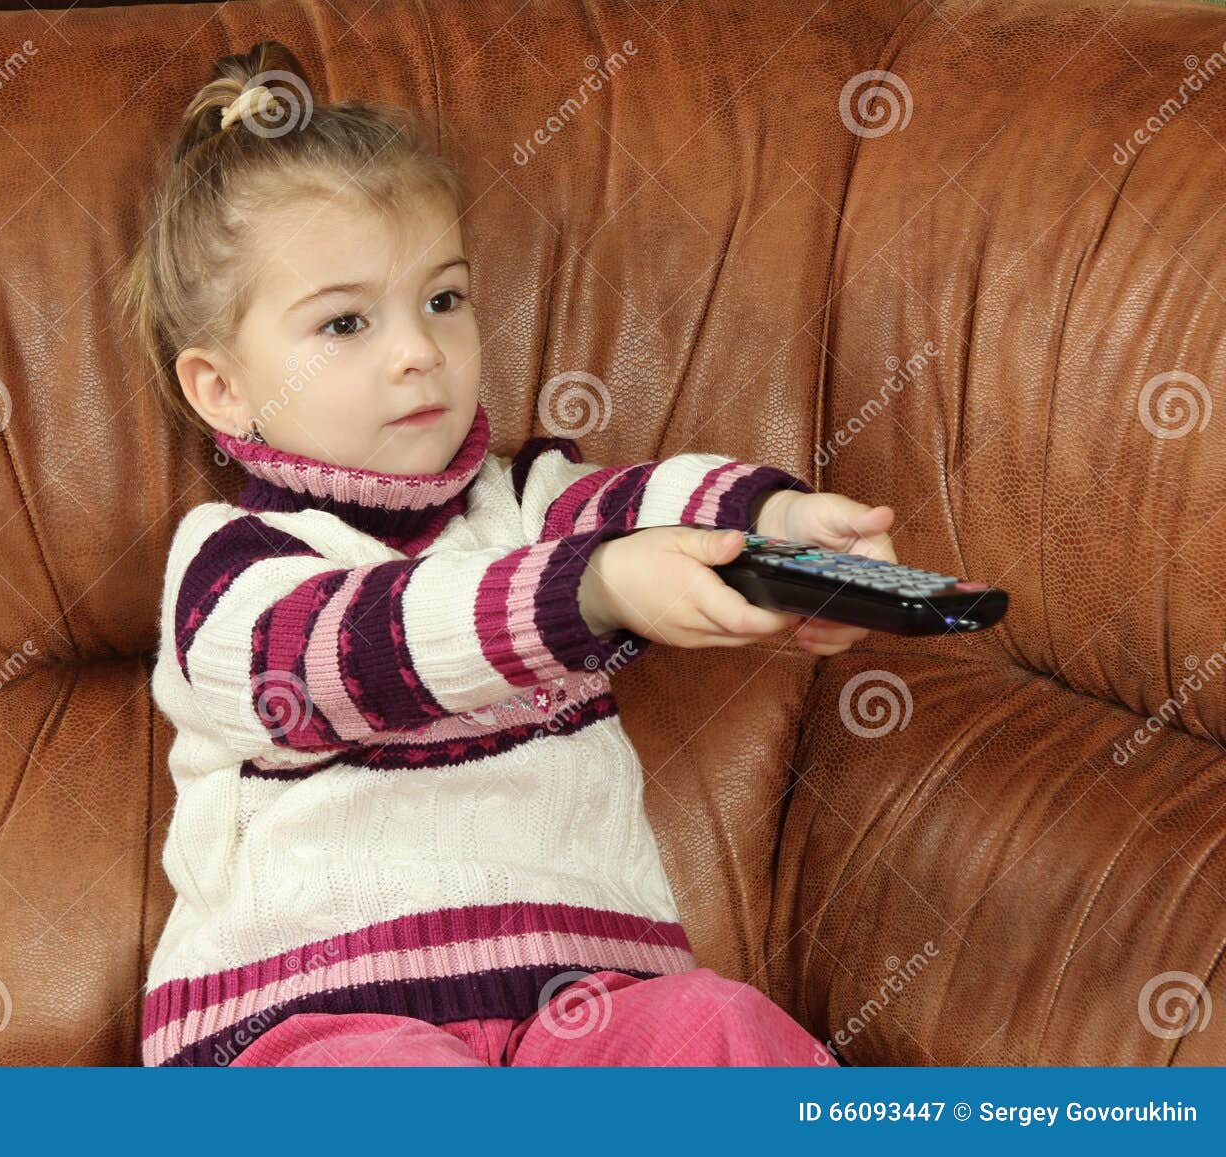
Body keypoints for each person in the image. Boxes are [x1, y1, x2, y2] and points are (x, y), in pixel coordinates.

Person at [122, 40, 895, 1068]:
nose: (418, 351)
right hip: (310, 1020)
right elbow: (339, 654)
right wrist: (593, 588)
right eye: (345, 321)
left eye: (443, 299)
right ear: (220, 388)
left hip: (586, 1002)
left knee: (722, 1025)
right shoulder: (229, 566)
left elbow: (649, 501)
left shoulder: (528, 504)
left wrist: (784, 528)